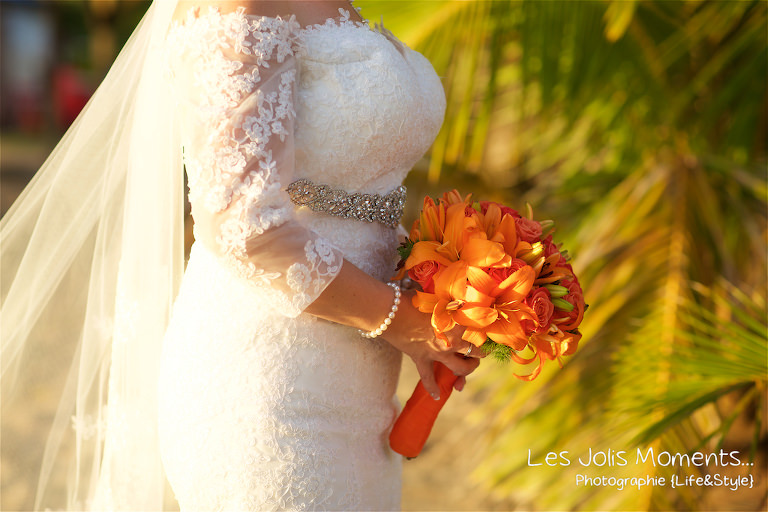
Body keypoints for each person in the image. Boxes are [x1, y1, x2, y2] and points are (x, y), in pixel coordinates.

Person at [1, 1, 483, 510]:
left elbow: (360, 198)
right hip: (272, 390)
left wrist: (455, 286)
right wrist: (397, 319)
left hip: (363, 394)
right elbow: (243, 226)